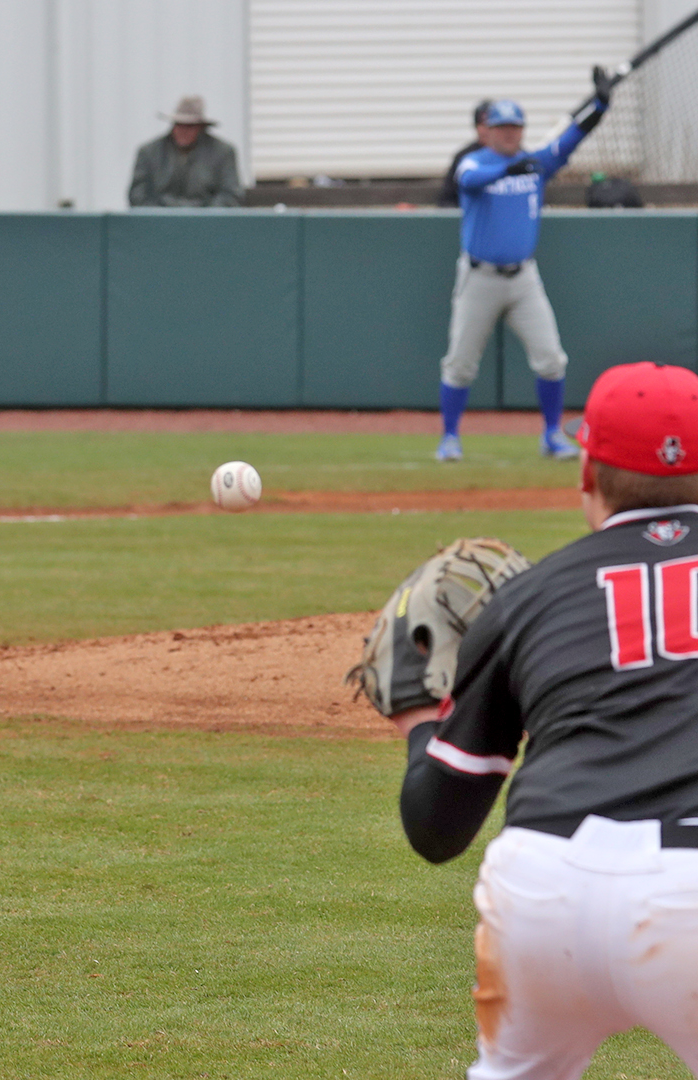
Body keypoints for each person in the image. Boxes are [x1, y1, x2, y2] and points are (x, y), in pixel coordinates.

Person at [391, 360, 698, 1076]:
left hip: (545, 887)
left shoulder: (528, 600)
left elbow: (437, 829)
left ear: (585, 473)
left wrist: (415, 719)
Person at [434, 70, 614, 463]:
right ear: (487, 131)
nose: (510, 133)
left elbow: (570, 139)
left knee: (551, 359)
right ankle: (450, 437)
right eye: (502, 127)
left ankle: (551, 435)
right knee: (461, 364)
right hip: (479, 277)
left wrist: (599, 105)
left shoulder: (534, 164)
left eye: (515, 126)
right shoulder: (474, 160)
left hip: (524, 278)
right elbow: (468, 180)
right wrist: (507, 169)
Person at [127, 95, 244, 208]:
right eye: (179, 124)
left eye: (190, 126)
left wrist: (203, 215)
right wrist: (162, 215)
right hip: (159, 224)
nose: (183, 131)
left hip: (207, 224)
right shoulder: (149, 152)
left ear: (200, 127)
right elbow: (137, 195)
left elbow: (231, 196)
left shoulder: (223, 152)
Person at [437, 100, 493, 209]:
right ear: (476, 127)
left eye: (491, 125)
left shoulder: (516, 158)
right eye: (482, 125)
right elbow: (447, 199)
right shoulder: (464, 157)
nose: (487, 130)